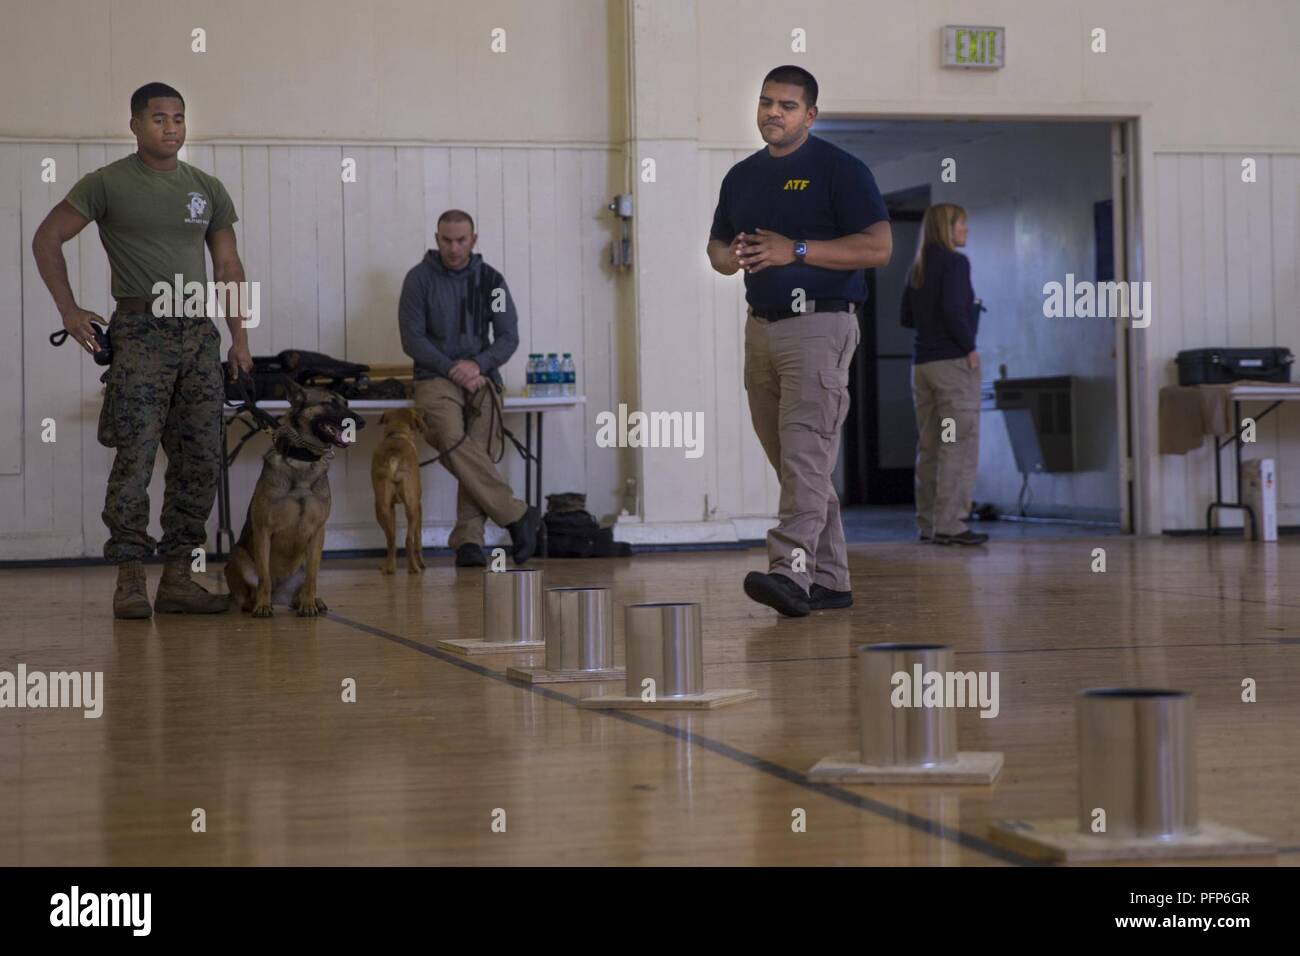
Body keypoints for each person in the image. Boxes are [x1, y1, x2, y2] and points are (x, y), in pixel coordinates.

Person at [31, 82, 255, 619]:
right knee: (134, 456)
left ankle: (179, 578)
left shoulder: (208, 188)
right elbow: (46, 238)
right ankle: (130, 579)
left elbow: (227, 267)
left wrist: (240, 338)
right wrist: (69, 309)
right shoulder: (107, 183)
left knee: (201, 458)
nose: (170, 127)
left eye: (178, 118)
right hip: (140, 331)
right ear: (135, 125)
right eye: (158, 118)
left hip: (200, 334)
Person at [707, 66, 893, 618]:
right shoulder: (741, 177)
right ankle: (831, 581)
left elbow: (879, 247)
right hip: (760, 327)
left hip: (820, 326)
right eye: (766, 102)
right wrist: (730, 256)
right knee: (796, 461)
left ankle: (789, 571)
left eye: (787, 106)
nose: (773, 113)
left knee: (806, 453)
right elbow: (717, 252)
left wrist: (799, 251)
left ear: (809, 114)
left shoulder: (840, 169)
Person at [398, 210, 540, 567]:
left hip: (481, 376)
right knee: (451, 438)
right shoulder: (418, 280)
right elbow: (411, 339)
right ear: (436, 239)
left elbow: (508, 336)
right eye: (447, 240)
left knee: (478, 448)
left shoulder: (491, 282)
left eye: (461, 240)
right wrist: (451, 367)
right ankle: (517, 515)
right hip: (433, 377)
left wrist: (477, 364)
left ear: (474, 240)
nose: (453, 247)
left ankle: (468, 542)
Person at [900, 203, 987, 546]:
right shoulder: (955, 263)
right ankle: (951, 523)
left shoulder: (919, 266)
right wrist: (969, 345)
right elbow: (953, 310)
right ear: (947, 228)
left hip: (922, 367)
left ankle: (928, 523)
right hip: (952, 366)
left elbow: (906, 317)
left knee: (931, 445)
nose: (966, 230)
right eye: (962, 224)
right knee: (958, 445)